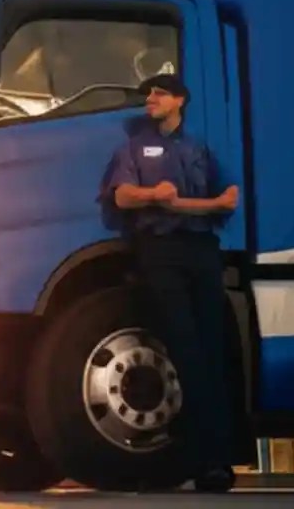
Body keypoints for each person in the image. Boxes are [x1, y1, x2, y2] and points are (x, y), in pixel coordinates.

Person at [99, 72, 239, 493]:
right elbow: (122, 195)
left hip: (202, 252)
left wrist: (179, 202)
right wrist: (154, 196)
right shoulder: (134, 148)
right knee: (182, 347)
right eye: (148, 94)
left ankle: (217, 461)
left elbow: (228, 198)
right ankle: (195, 458)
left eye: (159, 93)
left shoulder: (200, 149)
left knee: (213, 350)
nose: (150, 99)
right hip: (158, 251)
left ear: (180, 100)